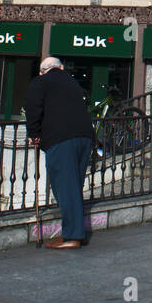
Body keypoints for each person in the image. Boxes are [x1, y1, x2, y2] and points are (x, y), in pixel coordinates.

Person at [24, 57, 95, 251]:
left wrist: (34, 133)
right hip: (85, 137)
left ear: (42, 71)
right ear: (61, 68)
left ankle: (72, 236)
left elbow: (33, 108)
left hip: (61, 138)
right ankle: (75, 230)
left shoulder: (40, 82)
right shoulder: (72, 82)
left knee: (65, 186)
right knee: (75, 185)